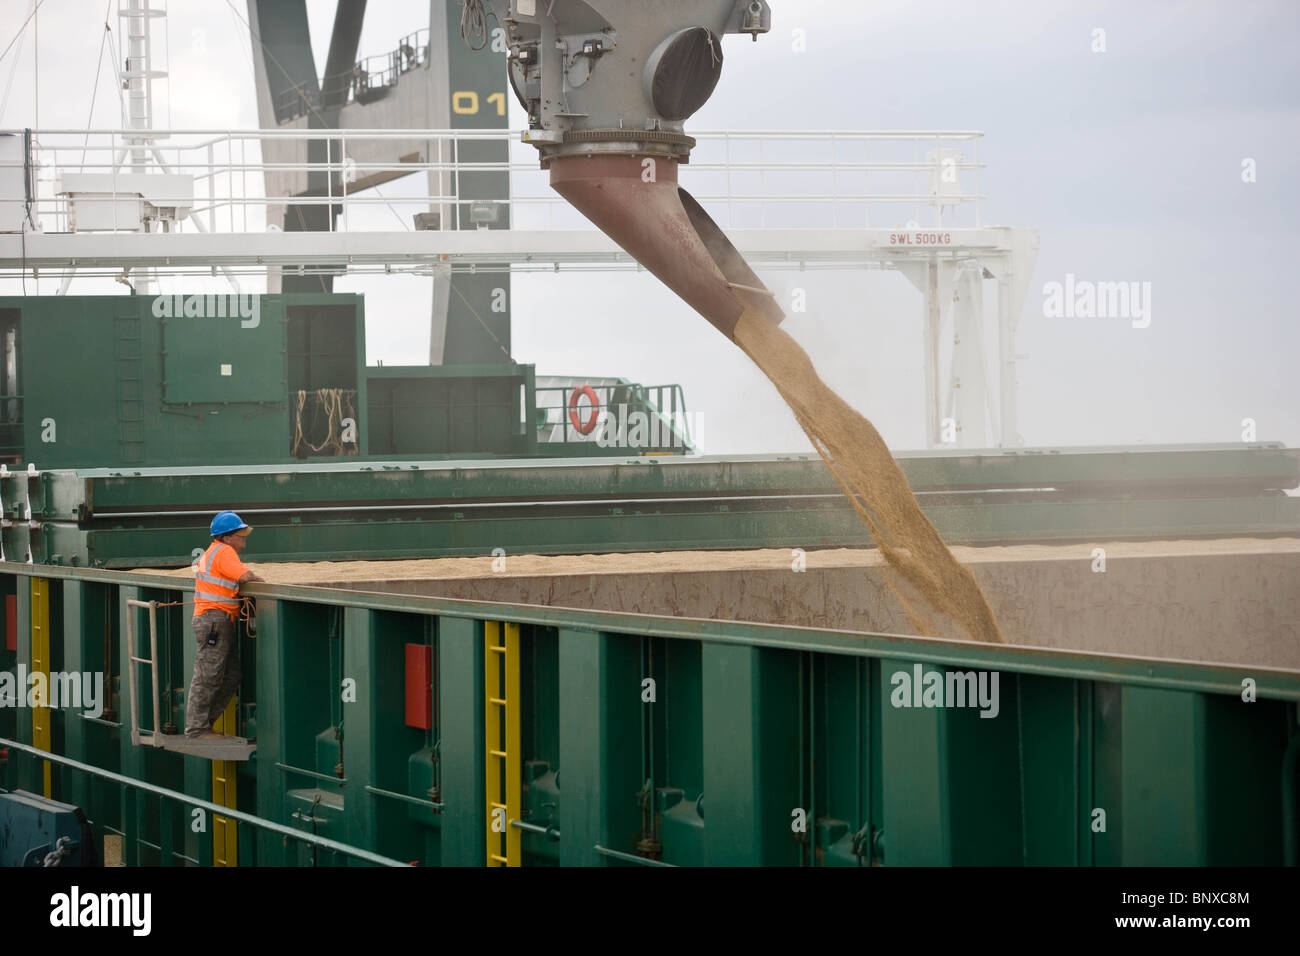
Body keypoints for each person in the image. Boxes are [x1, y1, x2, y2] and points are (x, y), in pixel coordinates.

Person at [185, 511, 263, 740]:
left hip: (217, 620)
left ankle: (203, 726)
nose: (244, 543)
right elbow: (245, 576)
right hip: (214, 621)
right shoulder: (224, 551)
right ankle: (197, 729)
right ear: (227, 537)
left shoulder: (215, 551)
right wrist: (268, 586)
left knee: (230, 675)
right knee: (208, 675)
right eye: (241, 537)